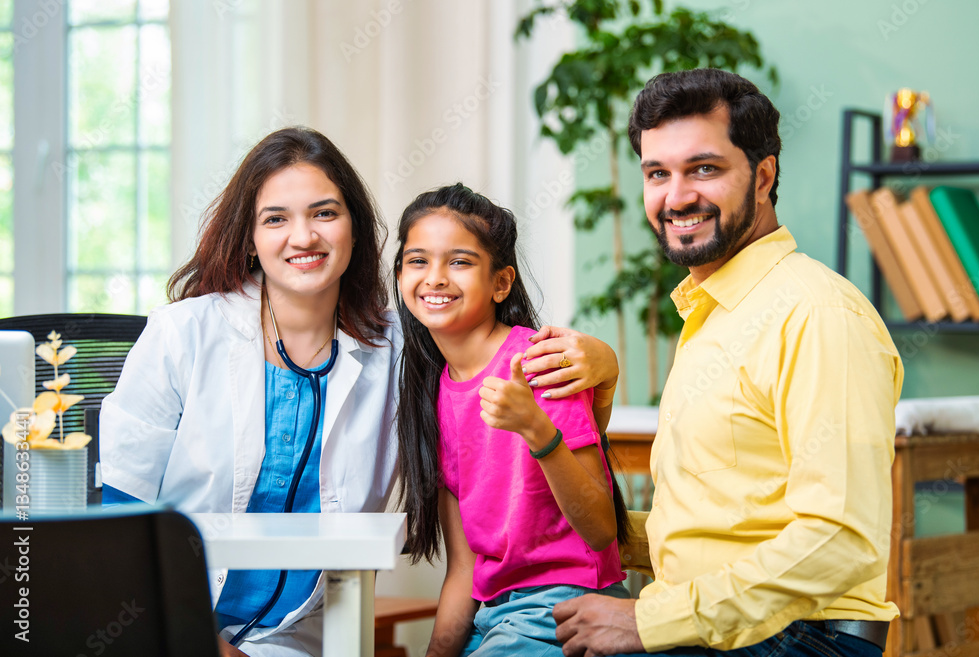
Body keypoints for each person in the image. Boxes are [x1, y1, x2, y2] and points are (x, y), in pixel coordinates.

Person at [99, 128, 618, 657]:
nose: (303, 237)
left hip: (293, 635)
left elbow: (490, 343)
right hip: (171, 625)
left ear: (355, 229)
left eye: (324, 213)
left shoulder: (403, 346)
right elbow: (117, 515)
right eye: (276, 219)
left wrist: (604, 361)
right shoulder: (181, 333)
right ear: (249, 236)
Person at [553, 69, 903, 657]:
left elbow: (842, 539)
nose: (677, 196)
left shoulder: (816, 313)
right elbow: (730, 523)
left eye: (704, 169)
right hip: (733, 632)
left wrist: (647, 621)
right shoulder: (713, 314)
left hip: (804, 640)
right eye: (658, 173)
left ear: (763, 176)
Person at [393, 183, 631, 657]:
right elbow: (464, 567)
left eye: (459, 262)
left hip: (564, 606)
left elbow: (601, 529)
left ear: (501, 283)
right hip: (494, 611)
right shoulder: (435, 389)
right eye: (418, 261)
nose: (435, 278)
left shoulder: (539, 363)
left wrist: (536, 430)